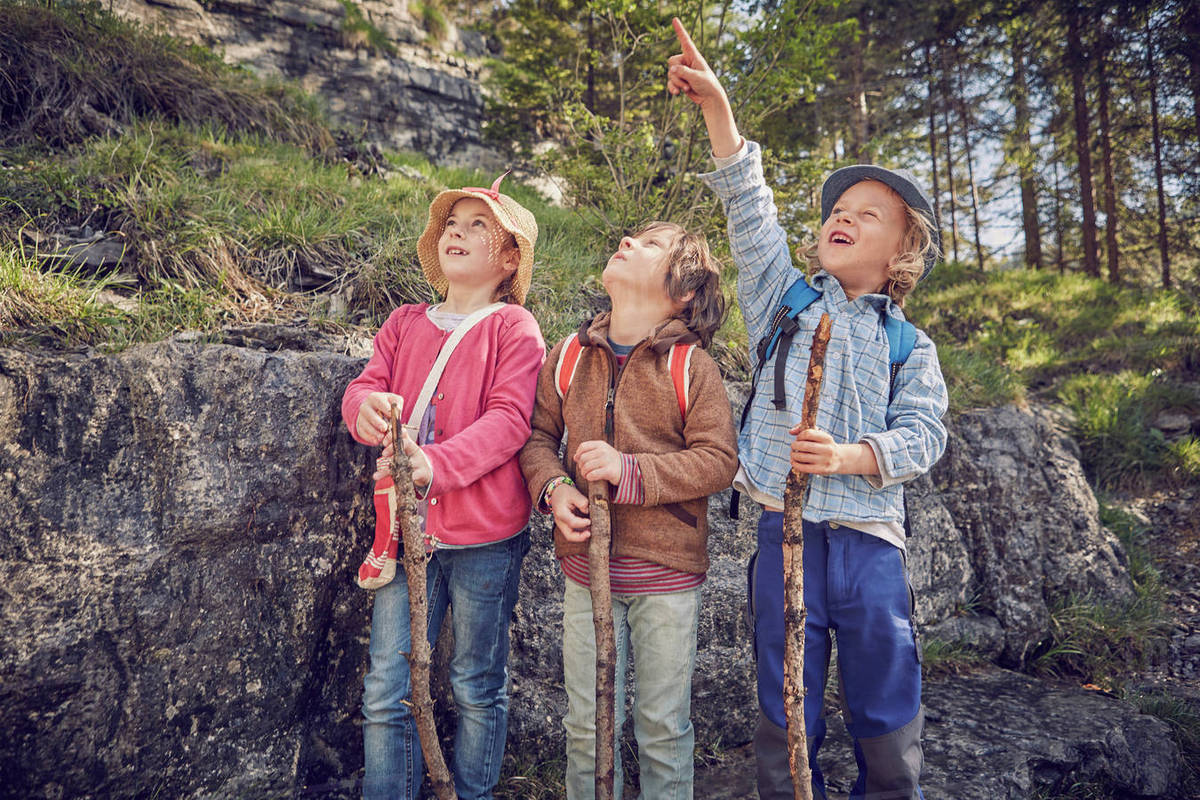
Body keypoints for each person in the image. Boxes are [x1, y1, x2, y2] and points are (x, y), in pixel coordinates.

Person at [667, 19, 949, 800]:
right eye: (840, 205)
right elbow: (749, 210)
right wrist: (719, 114)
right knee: (783, 688)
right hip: (779, 530)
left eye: (870, 214)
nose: (846, 216)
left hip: (871, 544)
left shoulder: (909, 346)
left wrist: (855, 457)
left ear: (900, 255)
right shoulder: (783, 301)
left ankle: (891, 787)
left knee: (884, 688)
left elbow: (926, 435)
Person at [341, 174, 545, 800]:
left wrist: (435, 464)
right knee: (386, 685)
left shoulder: (514, 327)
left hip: (486, 535)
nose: (457, 230)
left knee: (477, 680)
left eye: (478, 224)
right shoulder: (403, 323)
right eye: (452, 223)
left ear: (509, 258)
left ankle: (474, 792)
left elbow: (510, 421)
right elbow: (363, 386)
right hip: (406, 535)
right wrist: (365, 408)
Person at [519, 221, 739, 800]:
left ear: (684, 291)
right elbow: (539, 437)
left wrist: (631, 472)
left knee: (663, 728)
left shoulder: (692, 367)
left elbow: (718, 461)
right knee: (587, 727)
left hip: (666, 576)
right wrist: (554, 489)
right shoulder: (569, 355)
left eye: (650, 245)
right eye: (629, 238)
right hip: (583, 572)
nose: (627, 243)